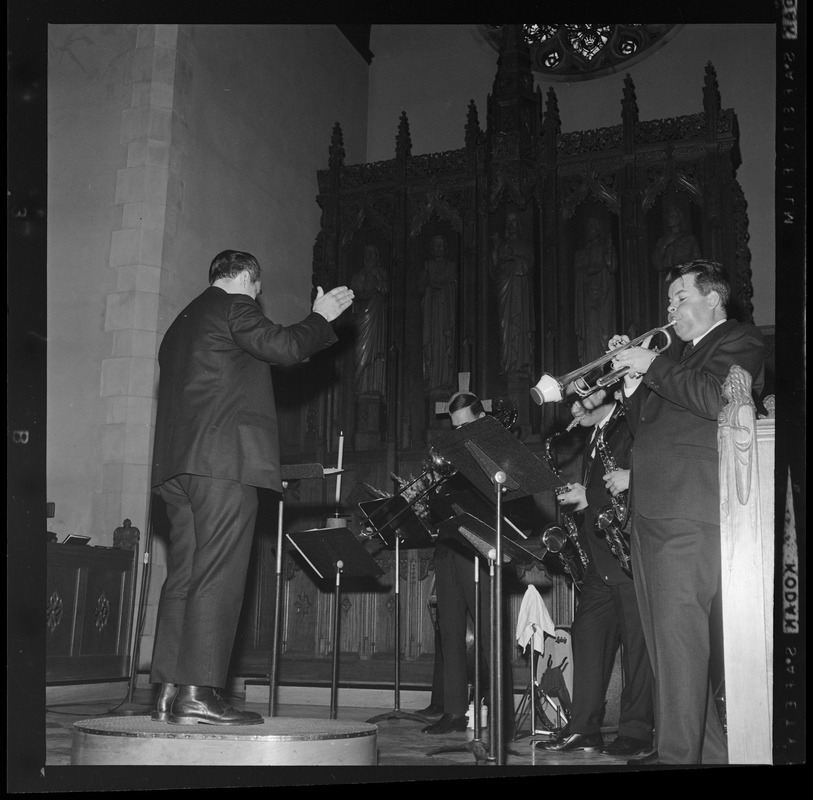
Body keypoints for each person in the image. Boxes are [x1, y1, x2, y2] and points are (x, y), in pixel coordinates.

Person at [149, 249, 353, 725]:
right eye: (258, 288)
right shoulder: (233, 306)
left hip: (178, 469)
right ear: (246, 278)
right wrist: (321, 318)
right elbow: (283, 347)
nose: (259, 295)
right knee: (217, 575)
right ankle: (198, 694)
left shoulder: (179, 324)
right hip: (223, 466)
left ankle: (167, 694)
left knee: (184, 577)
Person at [606, 259, 764, 765]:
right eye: (670, 300)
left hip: (689, 507)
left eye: (680, 298)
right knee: (664, 642)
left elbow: (718, 399)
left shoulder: (739, 339)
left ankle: (677, 756)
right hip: (651, 506)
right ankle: (707, 752)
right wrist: (634, 380)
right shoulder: (677, 354)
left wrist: (650, 364)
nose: (670, 308)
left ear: (713, 299)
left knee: (679, 640)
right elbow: (647, 426)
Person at [537, 387, 654, 757]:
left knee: (637, 650)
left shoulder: (629, 424)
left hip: (629, 557)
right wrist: (584, 497)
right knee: (587, 637)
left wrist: (591, 496)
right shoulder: (596, 435)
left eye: (582, 399)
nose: (575, 408)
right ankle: (584, 728)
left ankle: (636, 731)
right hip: (601, 563)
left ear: (610, 393)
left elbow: (644, 478)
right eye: (571, 402)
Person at [490, 210, 535, 375]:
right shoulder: (502, 246)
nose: (511, 225)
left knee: (520, 327)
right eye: (508, 222)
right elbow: (495, 269)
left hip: (520, 292)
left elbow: (529, 264)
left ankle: (521, 363)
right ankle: (508, 364)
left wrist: (513, 259)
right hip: (505, 291)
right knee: (505, 327)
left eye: (514, 221)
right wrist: (497, 250)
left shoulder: (526, 245)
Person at [574, 215, 619, 365]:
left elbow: (613, 266)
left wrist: (608, 251)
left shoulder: (606, 248)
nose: (591, 230)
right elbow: (579, 271)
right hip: (588, 296)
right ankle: (592, 367)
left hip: (605, 293)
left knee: (605, 331)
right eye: (589, 227)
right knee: (590, 332)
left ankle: (605, 366)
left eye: (594, 227)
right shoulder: (583, 253)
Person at [419, 234, 458, 392]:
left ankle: (444, 381)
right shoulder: (427, 266)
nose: (438, 248)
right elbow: (421, 287)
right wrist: (429, 285)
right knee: (432, 345)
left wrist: (442, 288)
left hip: (445, 312)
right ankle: (432, 380)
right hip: (431, 312)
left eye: (441, 245)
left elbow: (454, 286)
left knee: (444, 345)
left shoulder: (451, 266)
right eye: (435, 245)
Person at [351, 243, 389, 394]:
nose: (369, 257)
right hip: (361, 316)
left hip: (375, 317)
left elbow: (385, 290)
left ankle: (373, 386)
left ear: (377, 257)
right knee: (359, 350)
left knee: (374, 352)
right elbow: (353, 296)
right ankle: (357, 385)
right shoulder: (359, 275)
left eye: (372, 254)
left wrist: (378, 281)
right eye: (367, 254)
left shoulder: (381, 273)